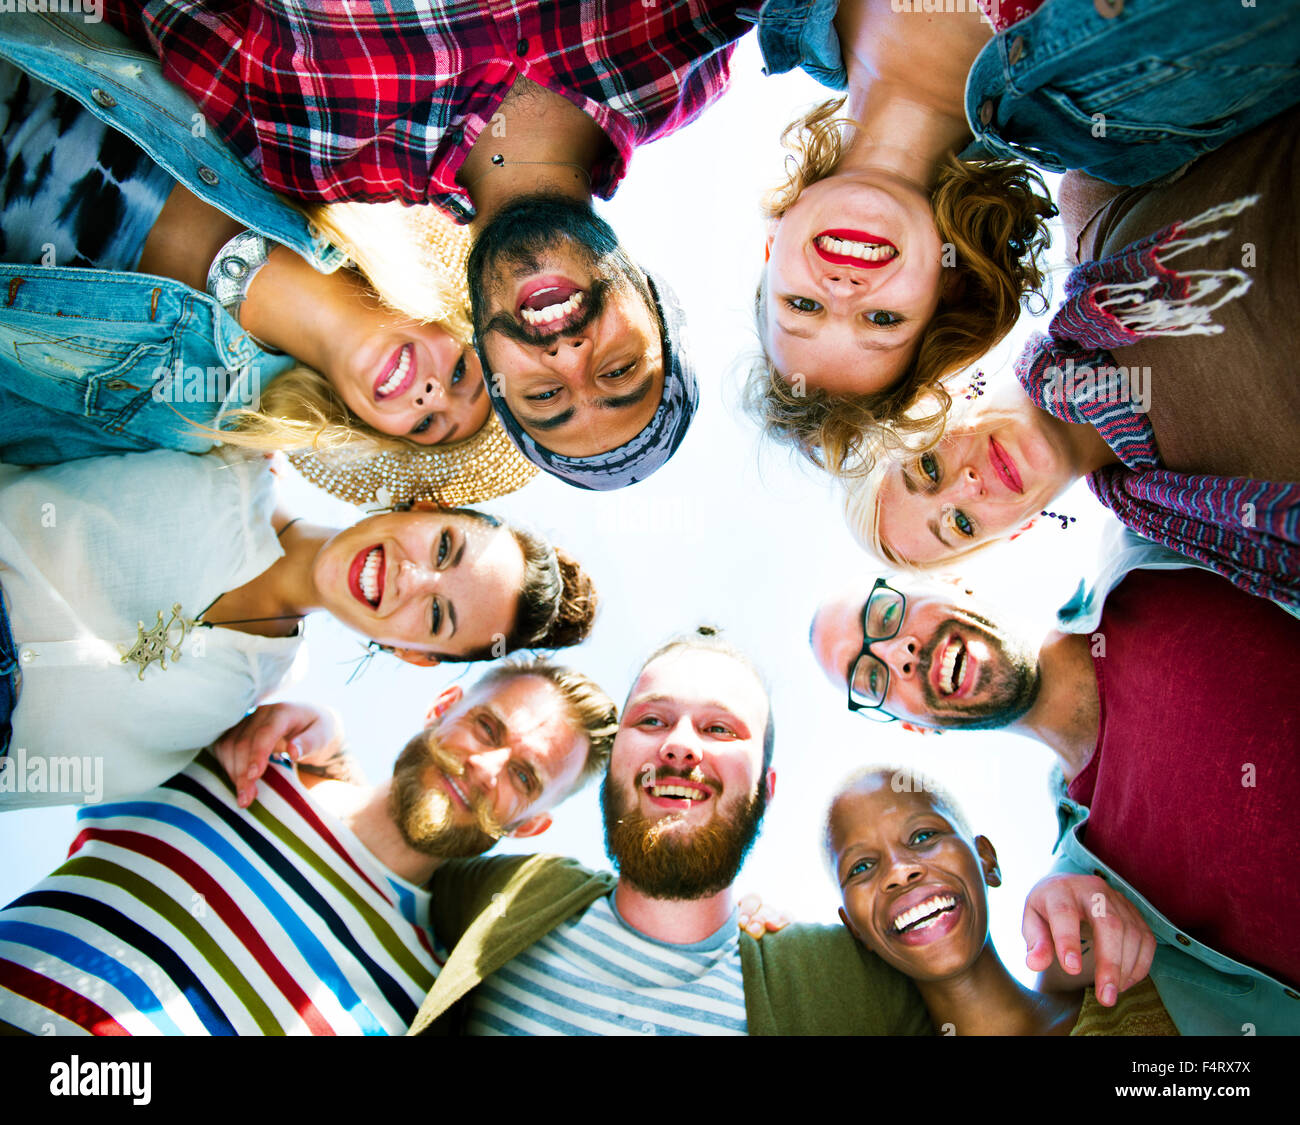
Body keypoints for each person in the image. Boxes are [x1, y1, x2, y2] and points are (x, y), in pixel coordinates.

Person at [98, 1, 755, 487]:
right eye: (617, 371)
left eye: (545, 396)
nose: (567, 358)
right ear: (652, 306)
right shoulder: (683, 52)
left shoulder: (303, 146)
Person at [0, 12, 535, 507]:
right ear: (448, 311)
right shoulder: (328, 163)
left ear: (377, 429)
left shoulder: (193, 416)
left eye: (428, 425)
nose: (430, 396)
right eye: (461, 372)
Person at [746, 0, 1300, 477]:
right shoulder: (1123, 136)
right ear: (948, 288)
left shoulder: (771, 16)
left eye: (802, 305)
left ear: (772, 247)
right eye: (882, 321)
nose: (844, 291)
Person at [808, 548, 1300, 1033]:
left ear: (950, 580)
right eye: (871, 678)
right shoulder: (1094, 883)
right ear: (915, 727)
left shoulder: (1154, 549)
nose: (899, 654)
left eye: (885, 613)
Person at [0, 657, 618, 1035]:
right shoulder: (238, 755)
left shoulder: (423, 1002)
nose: (487, 767)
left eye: (524, 777)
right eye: (486, 727)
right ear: (443, 705)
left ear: (530, 826)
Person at [0, 446, 596, 808]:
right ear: (424, 506)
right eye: (443, 547)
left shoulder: (245, 700)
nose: (412, 577)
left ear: (414, 655)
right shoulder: (221, 453)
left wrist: (329, 743)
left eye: (437, 616)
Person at [409, 628, 934, 1035]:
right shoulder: (502, 896)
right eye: (653, 721)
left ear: (765, 789)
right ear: (615, 763)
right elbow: (381, 859)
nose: (680, 747)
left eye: (719, 729)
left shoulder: (852, 984)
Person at [826, 766, 1176, 1035]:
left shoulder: (1133, 987)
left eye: (923, 835)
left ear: (986, 861)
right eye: (862, 867)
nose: (900, 872)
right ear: (854, 929)